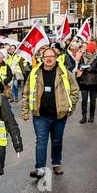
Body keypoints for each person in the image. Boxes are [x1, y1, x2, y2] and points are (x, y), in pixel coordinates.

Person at [22, 45, 80, 178]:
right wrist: (25, 111)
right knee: (41, 140)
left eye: (51, 56)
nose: (48, 59)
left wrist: (68, 107)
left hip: (59, 115)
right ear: (42, 58)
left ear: (56, 58)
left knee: (57, 140)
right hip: (40, 115)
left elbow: (75, 91)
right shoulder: (35, 73)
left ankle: (56, 163)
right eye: (46, 56)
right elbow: (26, 92)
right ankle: (40, 169)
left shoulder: (64, 72)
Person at [72, 39, 97, 123]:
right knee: (84, 100)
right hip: (83, 81)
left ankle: (91, 117)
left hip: (94, 82)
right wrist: (82, 67)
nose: (89, 50)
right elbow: (79, 66)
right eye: (89, 49)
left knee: (93, 101)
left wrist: (91, 68)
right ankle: (84, 116)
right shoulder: (83, 57)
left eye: (91, 49)